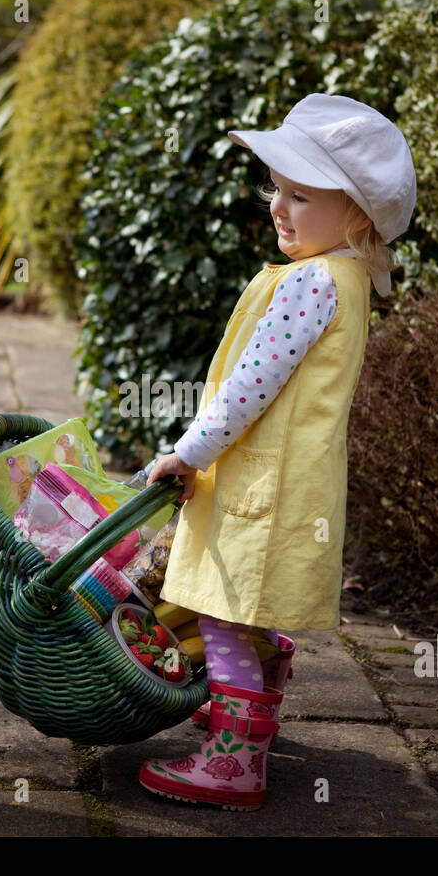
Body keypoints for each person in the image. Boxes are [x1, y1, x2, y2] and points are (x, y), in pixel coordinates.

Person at [137, 93, 417, 810]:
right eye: (276, 189)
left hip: (260, 483)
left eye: (300, 194)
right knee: (240, 603)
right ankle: (248, 698)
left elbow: (248, 390)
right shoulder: (346, 279)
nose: (278, 206)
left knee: (224, 607)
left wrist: (189, 453)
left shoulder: (313, 282)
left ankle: (234, 759)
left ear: (357, 214)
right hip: (289, 479)